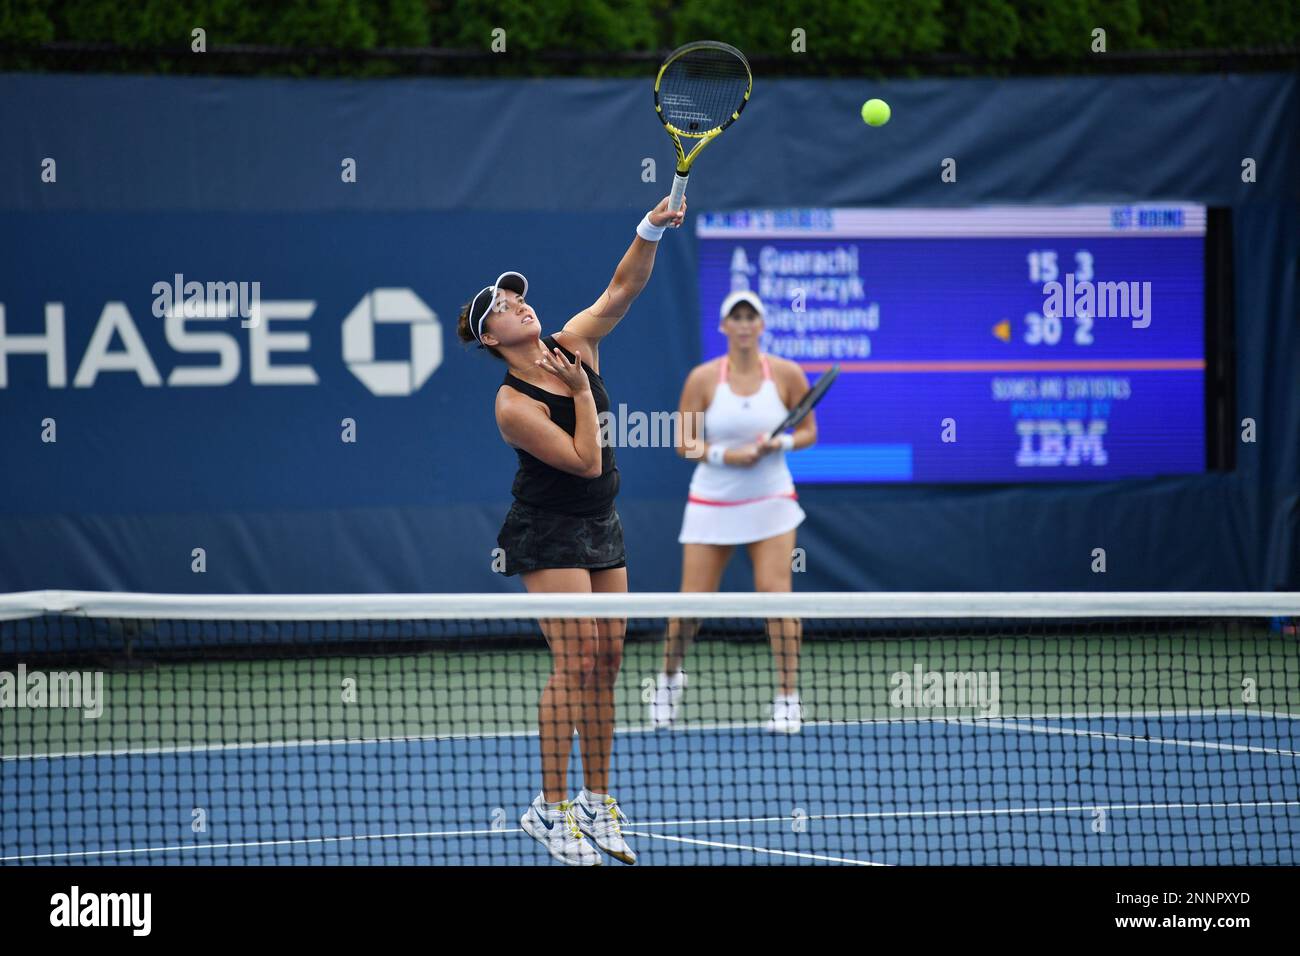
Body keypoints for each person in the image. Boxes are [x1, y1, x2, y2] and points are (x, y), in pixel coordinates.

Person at [456, 196, 686, 865]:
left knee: (609, 662)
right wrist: (583, 394)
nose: (517, 304)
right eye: (500, 306)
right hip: (546, 530)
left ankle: (596, 801)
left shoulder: (575, 340)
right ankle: (550, 809)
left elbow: (623, 287)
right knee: (576, 660)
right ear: (492, 338)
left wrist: (649, 229)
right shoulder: (512, 404)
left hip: (600, 525)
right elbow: (586, 461)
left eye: (516, 297)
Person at [651, 291, 817, 733]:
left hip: (772, 499)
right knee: (690, 606)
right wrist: (728, 455)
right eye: (736, 318)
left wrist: (777, 444)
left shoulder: (786, 374)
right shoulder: (703, 378)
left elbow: (808, 432)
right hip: (712, 499)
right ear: (724, 327)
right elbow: (685, 443)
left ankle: (787, 697)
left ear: (761, 325)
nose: (744, 325)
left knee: (775, 596)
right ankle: (668, 682)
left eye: (751, 317)